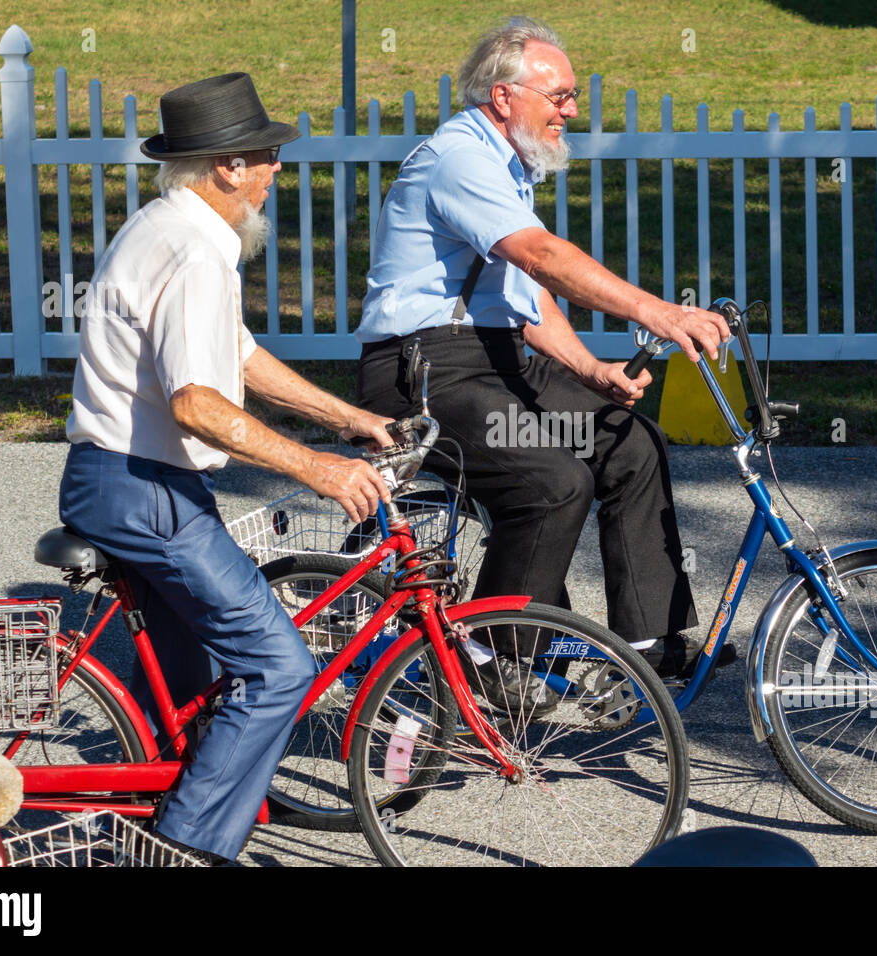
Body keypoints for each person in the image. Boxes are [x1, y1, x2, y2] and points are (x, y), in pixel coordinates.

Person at [58, 72, 392, 865]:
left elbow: (237, 356)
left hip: (128, 481)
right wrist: (321, 470)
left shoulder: (168, 227)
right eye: (268, 155)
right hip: (141, 488)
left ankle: (143, 823)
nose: (278, 168)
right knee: (279, 667)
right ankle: (188, 849)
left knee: (188, 682)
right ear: (228, 166)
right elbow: (198, 404)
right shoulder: (197, 252)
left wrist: (351, 420)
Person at [355, 17, 735, 686]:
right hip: (421, 370)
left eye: (573, 96)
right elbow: (542, 257)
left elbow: (524, 293)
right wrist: (658, 311)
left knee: (629, 442)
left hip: (492, 360)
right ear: (505, 96)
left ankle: (646, 644)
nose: (571, 110)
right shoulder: (462, 159)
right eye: (558, 95)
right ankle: (486, 658)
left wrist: (590, 369)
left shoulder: (507, 162)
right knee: (552, 482)